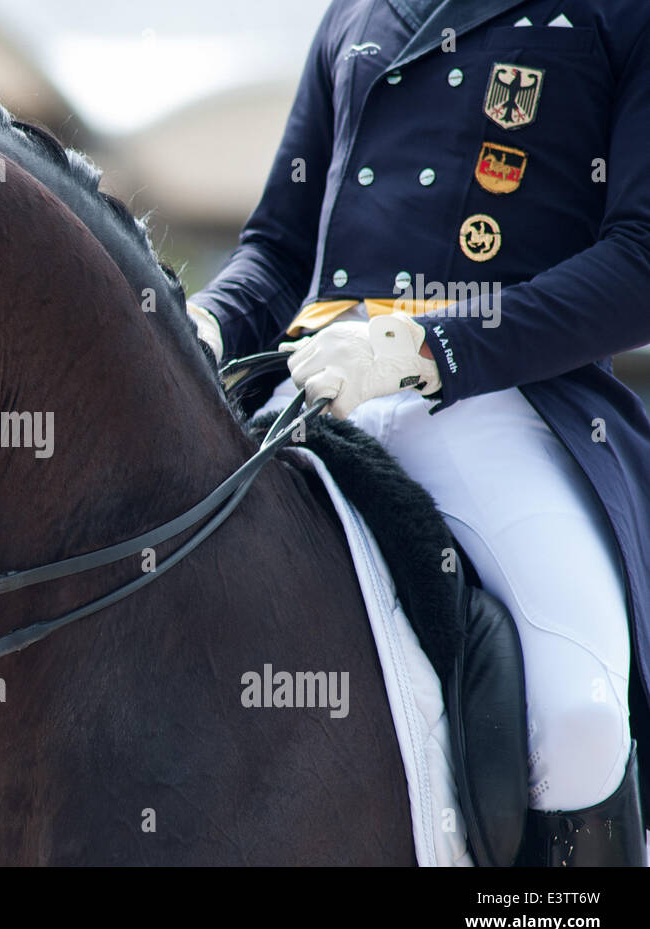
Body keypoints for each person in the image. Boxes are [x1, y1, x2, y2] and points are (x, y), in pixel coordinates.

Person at [187, 0, 650, 865]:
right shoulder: (355, 11)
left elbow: (641, 260)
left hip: (499, 400)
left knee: (579, 718)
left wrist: (431, 344)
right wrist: (206, 325)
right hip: (312, 382)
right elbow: (279, 249)